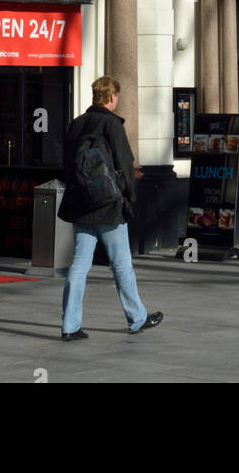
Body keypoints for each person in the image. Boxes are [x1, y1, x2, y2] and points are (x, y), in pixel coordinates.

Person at [58, 76, 163, 339]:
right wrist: (129, 197)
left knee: (79, 264)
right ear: (112, 97)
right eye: (117, 96)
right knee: (121, 264)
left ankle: (69, 326)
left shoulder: (76, 125)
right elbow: (125, 164)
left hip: (81, 205)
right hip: (109, 206)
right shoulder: (112, 124)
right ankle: (137, 318)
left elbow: (67, 166)